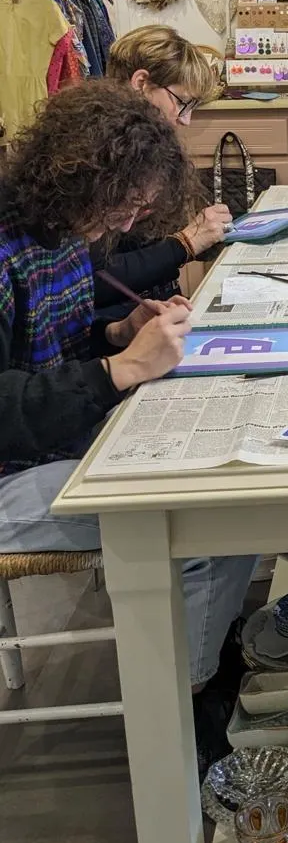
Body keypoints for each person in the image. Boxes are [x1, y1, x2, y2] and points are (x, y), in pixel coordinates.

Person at [0, 82, 256, 768]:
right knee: (189, 515)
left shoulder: (64, 230)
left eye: (141, 208)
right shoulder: (9, 244)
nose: (129, 220)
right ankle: (184, 704)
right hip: (12, 470)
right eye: (126, 205)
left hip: (60, 436)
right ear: (80, 174)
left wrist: (119, 332)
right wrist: (117, 371)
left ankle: (207, 650)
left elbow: (58, 342)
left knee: (231, 473)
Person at [94, 25, 233, 315]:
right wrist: (186, 243)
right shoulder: (93, 158)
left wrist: (205, 233)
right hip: (119, 327)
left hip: (159, 312)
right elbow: (93, 280)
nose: (186, 120)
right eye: (182, 102)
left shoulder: (149, 152)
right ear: (141, 83)